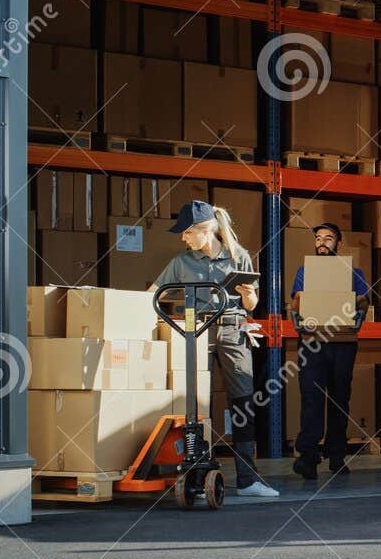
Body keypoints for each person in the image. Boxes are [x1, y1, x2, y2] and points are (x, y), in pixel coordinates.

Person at [152, 200, 280, 498]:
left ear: (205, 230)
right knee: (198, 405)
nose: (183, 239)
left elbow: (252, 305)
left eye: (186, 233)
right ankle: (197, 477)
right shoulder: (181, 262)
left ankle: (248, 480)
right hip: (195, 331)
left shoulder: (239, 258)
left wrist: (248, 295)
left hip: (233, 329)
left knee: (243, 401)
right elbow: (152, 295)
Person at [288, 222, 369, 480]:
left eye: (329, 238)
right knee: (311, 398)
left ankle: (336, 456)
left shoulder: (353, 272)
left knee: (339, 399)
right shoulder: (305, 271)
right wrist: (302, 308)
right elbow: (297, 299)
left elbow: (363, 299)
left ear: (339, 243)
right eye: (319, 238)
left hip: (343, 343)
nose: (322, 242)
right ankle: (309, 457)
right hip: (312, 342)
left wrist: (355, 304)